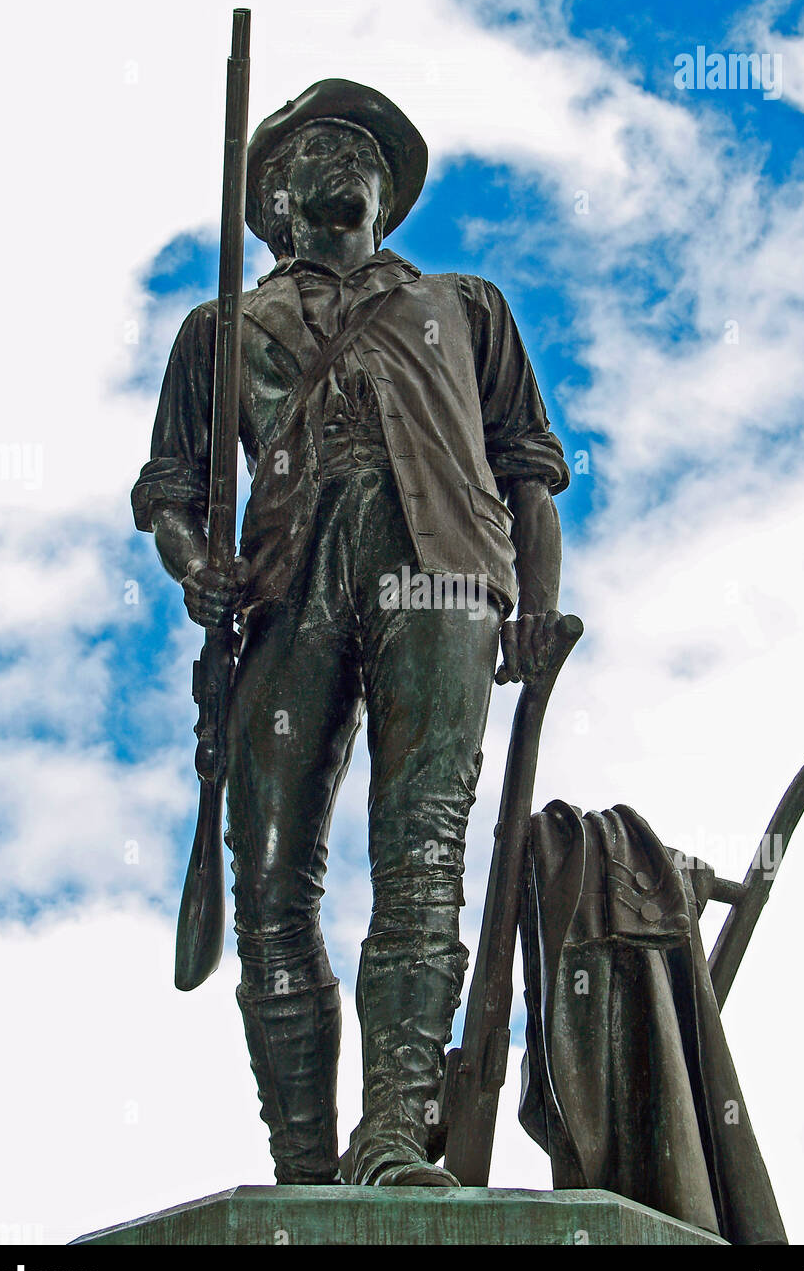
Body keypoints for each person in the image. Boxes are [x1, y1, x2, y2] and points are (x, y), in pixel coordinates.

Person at [132, 79, 569, 1186]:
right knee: (270, 874)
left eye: (360, 145)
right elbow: (171, 487)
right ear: (273, 196)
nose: (341, 156)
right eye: (313, 145)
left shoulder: (466, 307)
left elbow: (529, 465)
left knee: (421, 846)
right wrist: (198, 568)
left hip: (443, 574)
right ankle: (303, 1163)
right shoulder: (220, 330)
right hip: (286, 589)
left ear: (386, 192)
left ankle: (391, 1135)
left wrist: (535, 600)